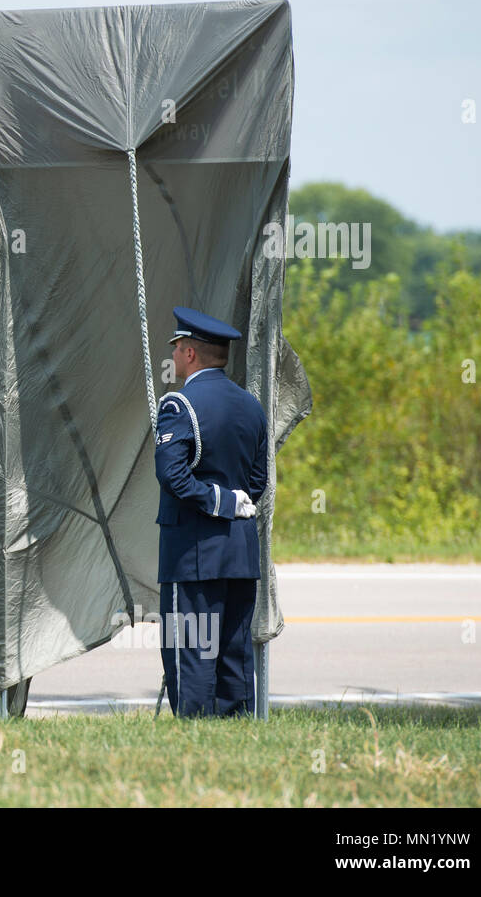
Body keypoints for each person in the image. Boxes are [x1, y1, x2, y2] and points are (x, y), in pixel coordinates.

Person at [154, 306, 268, 718]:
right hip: (240, 551)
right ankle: (236, 727)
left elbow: (172, 475)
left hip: (193, 552)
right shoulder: (252, 406)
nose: (172, 359)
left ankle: (195, 732)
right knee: (234, 652)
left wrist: (217, 503)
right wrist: (233, 503)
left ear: (188, 353)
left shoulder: (180, 405)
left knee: (191, 649)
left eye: (175, 349)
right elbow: (257, 482)